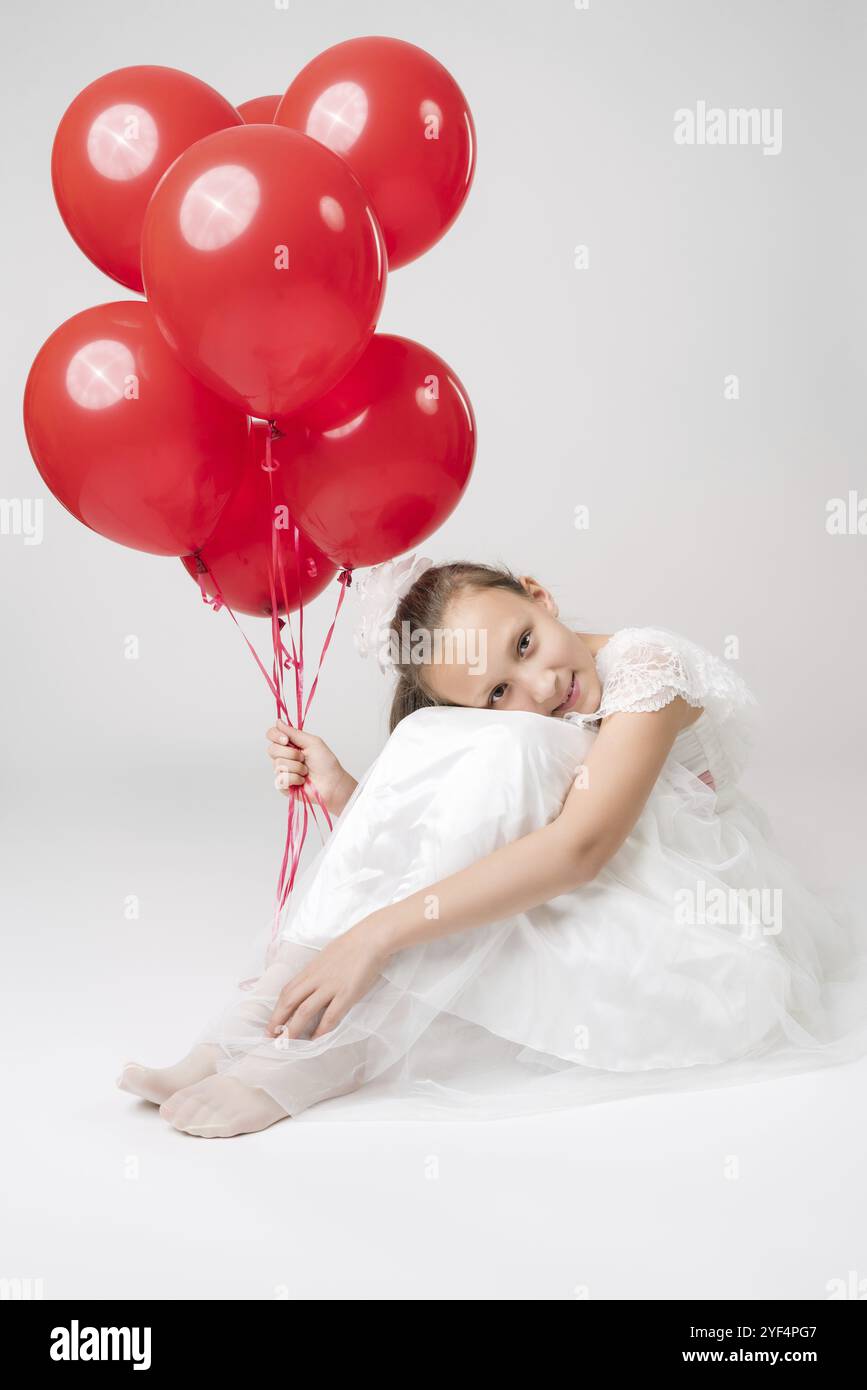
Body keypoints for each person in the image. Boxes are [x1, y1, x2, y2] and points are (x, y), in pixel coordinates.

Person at [117, 555, 867, 1136]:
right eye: (496, 693)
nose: (536, 689)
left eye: (523, 644)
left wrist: (371, 937)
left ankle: (314, 1059)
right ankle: (238, 1034)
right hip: (575, 890)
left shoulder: (647, 669)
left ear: (539, 595)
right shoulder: (526, 707)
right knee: (429, 735)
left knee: (515, 754)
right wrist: (348, 794)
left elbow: (577, 850)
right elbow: (461, 834)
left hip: (684, 927)